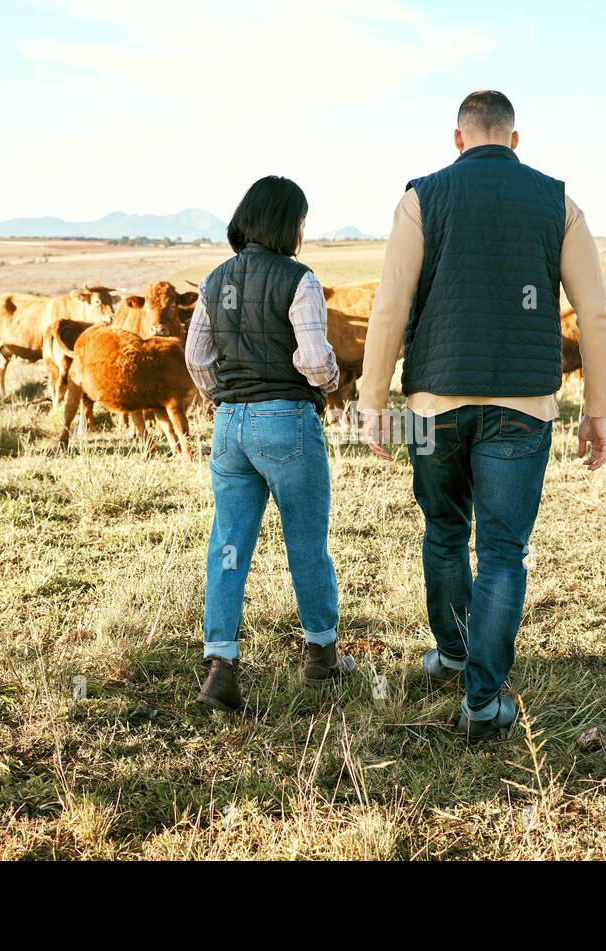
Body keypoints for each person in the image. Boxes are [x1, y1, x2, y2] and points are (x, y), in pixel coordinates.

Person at [358, 91, 606, 742]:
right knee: (502, 550)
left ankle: (451, 653)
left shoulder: (421, 198)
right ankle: (483, 698)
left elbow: (389, 308)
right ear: (515, 139)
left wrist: (371, 401)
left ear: (458, 138)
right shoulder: (558, 201)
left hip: (430, 402)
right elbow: (594, 316)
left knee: (444, 531)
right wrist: (598, 410)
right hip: (522, 405)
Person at [186, 175, 355, 712]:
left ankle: (220, 667)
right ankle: (322, 656)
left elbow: (197, 359)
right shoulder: (299, 280)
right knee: (306, 540)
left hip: (229, 427)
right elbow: (311, 358)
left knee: (228, 545)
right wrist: (329, 381)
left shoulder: (214, 281)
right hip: (287, 421)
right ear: (289, 223)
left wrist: (228, 398)